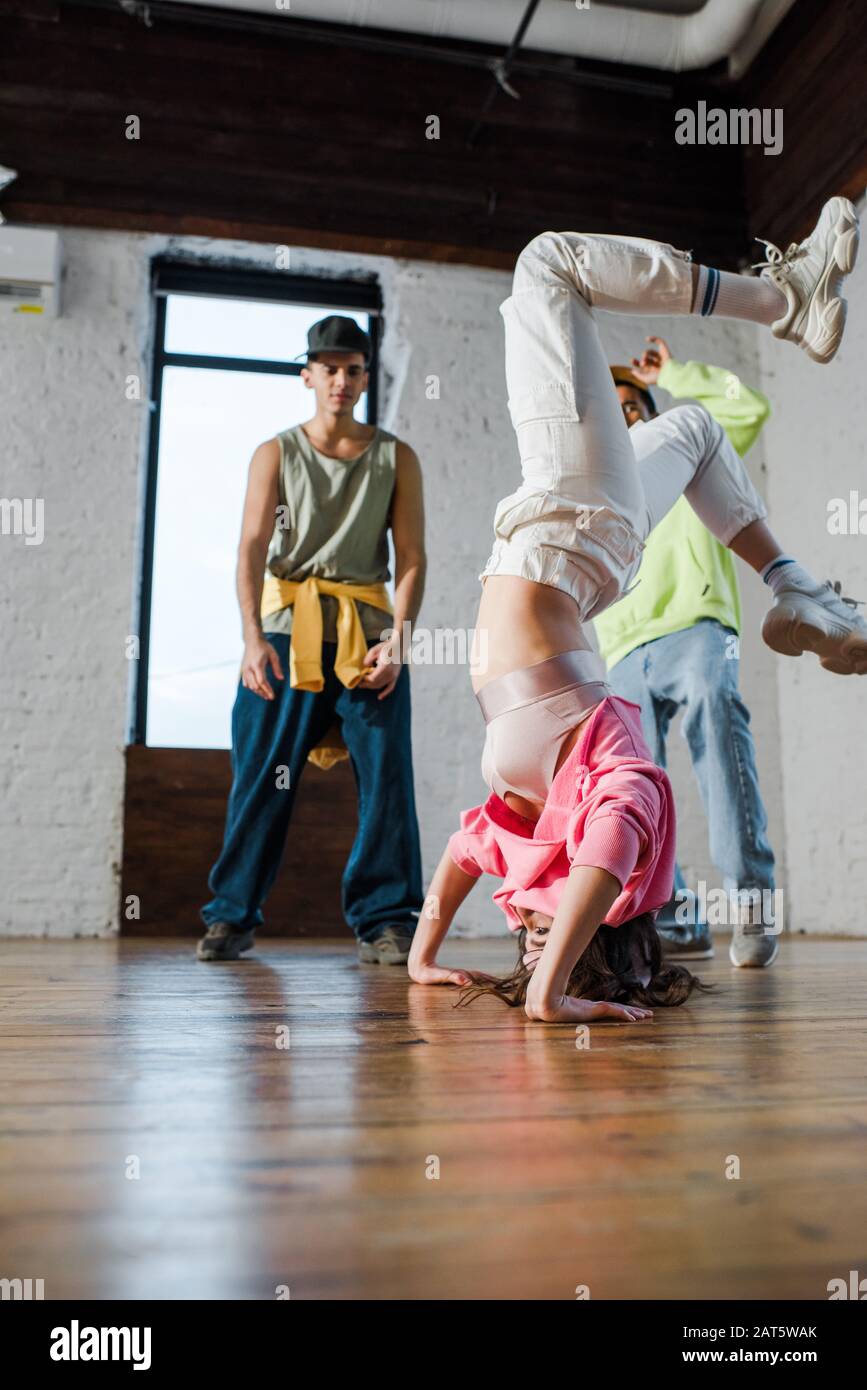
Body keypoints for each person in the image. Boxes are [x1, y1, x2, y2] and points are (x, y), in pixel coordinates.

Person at [408, 197, 865, 1023]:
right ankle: (782, 298)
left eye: (527, 950)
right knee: (548, 262)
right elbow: (608, 859)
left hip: (587, 549)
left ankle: (798, 587)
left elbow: (461, 855)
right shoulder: (619, 798)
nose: (526, 942)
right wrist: (547, 999)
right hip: (567, 527)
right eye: (547, 946)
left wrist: (423, 955)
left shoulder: (530, 814)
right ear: (602, 923)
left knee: (691, 430)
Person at [197, 315, 427, 964]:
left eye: (353, 369)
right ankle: (231, 915)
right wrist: (249, 638)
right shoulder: (274, 452)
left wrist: (400, 643)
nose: (341, 380)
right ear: (307, 375)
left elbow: (411, 556)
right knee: (261, 779)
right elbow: (249, 546)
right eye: (329, 368)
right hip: (281, 633)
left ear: (363, 376)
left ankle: (386, 921)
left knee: (386, 781)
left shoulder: (395, 456)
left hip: (368, 638)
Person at [594, 340, 779, 968]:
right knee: (633, 785)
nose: (625, 418)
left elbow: (747, 408)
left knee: (717, 716)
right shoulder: (602, 490)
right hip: (621, 648)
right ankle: (673, 917)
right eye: (610, 410)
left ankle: (752, 905)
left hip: (698, 626)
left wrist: (672, 374)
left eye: (633, 405)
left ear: (652, 411)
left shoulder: (685, 458)